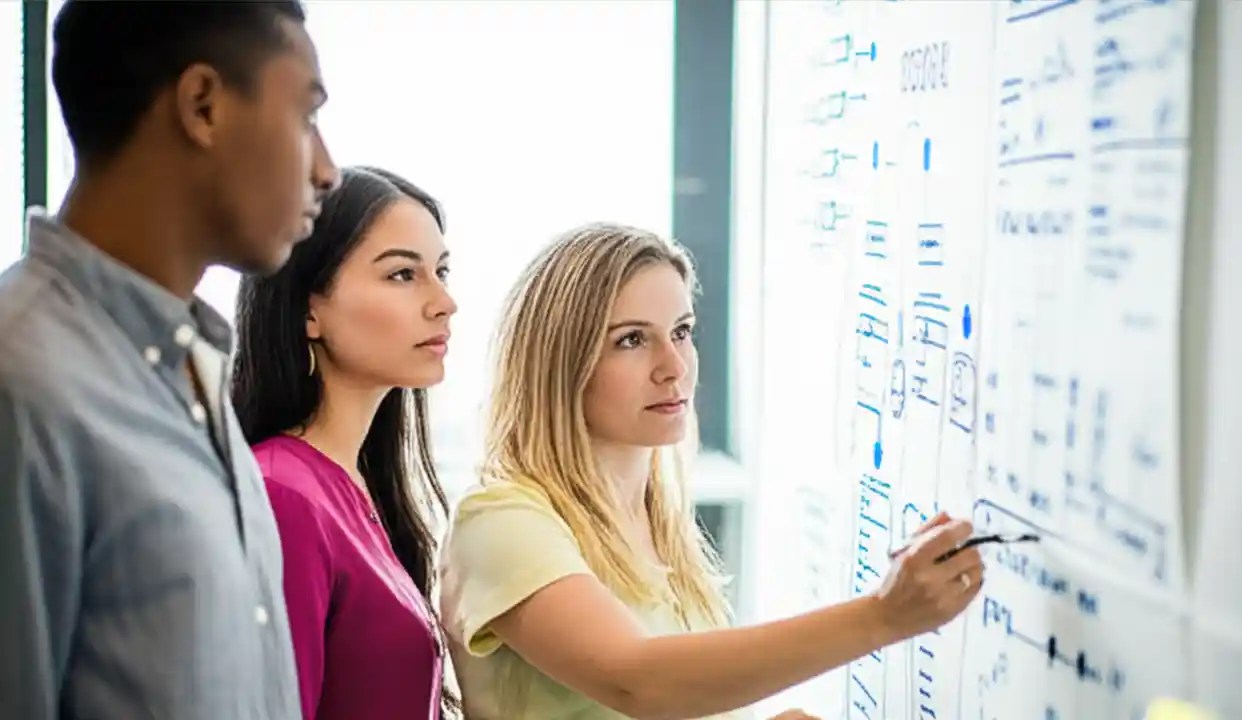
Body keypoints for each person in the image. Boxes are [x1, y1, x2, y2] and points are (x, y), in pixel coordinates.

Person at [439, 223, 984, 719]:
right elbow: (640, 682)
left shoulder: (659, 526)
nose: (673, 367)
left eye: (681, 331)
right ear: (559, 362)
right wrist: (882, 617)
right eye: (631, 340)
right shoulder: (500, 521)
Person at [0, 2, 338, 719]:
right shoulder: (22, 385)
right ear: (203, 106)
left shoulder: (189, 374)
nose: (327, 169)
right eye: (306, 116)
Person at [232, 166, 459, 720]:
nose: (444, 302)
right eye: (404, 275)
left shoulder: (355, 488)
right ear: (310, 308)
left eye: (442, 271)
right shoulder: (283, 495)